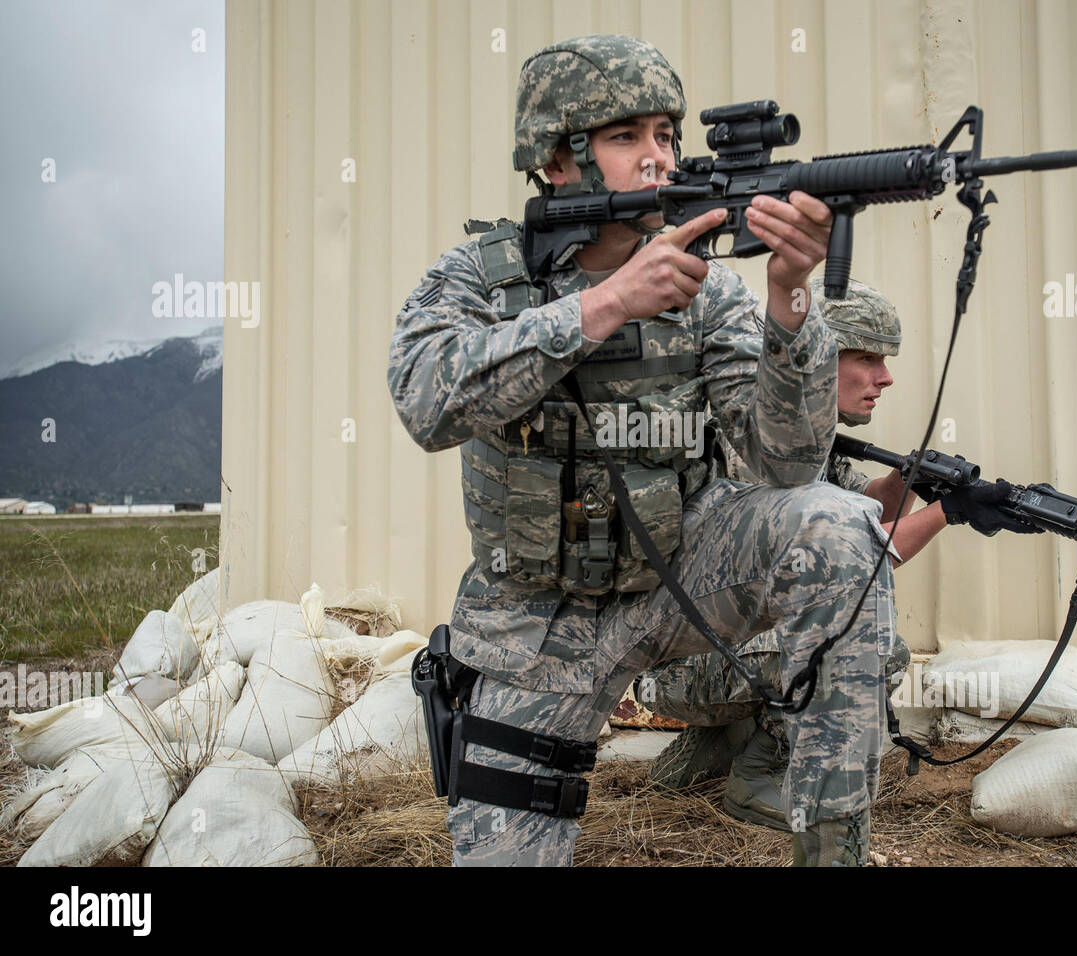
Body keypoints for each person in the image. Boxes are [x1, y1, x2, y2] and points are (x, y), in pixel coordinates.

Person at [390, 34, 988, 866]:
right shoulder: (481, 278)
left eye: (667, 136)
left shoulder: (707, 297)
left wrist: (789, 303)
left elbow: (783, 463)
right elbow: (425, 400)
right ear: (559, 156)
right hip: (537, 618)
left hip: (679, 577)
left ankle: (830, 847)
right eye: (626, 137)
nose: (657, 159)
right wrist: (601, 307)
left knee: (842, 527)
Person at [638, 277, 1034, 829]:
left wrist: (912, 479)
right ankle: (757, 778)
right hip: (671, 669)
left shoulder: (807, 440)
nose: (885, 377)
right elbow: (850, 554)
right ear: (814, 358)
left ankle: (712, 750)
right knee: (869, 645)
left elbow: (861, 507)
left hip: (714, 650)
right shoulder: (750, 443)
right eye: (868, 357)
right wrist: (952, 512)